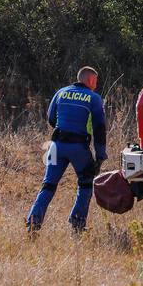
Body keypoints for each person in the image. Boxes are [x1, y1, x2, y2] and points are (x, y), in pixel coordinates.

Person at [26, 66, 107, 234]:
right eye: (96, 81)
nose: (96, 85)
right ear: (90, 80)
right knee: (85, 185)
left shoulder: (61, 92)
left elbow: (50, 118)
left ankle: (33, 222)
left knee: (48, 185)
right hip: (78, 148)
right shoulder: (94, 98)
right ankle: (77, 225)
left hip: (56, 146)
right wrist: (100, 156)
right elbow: (100, 128)